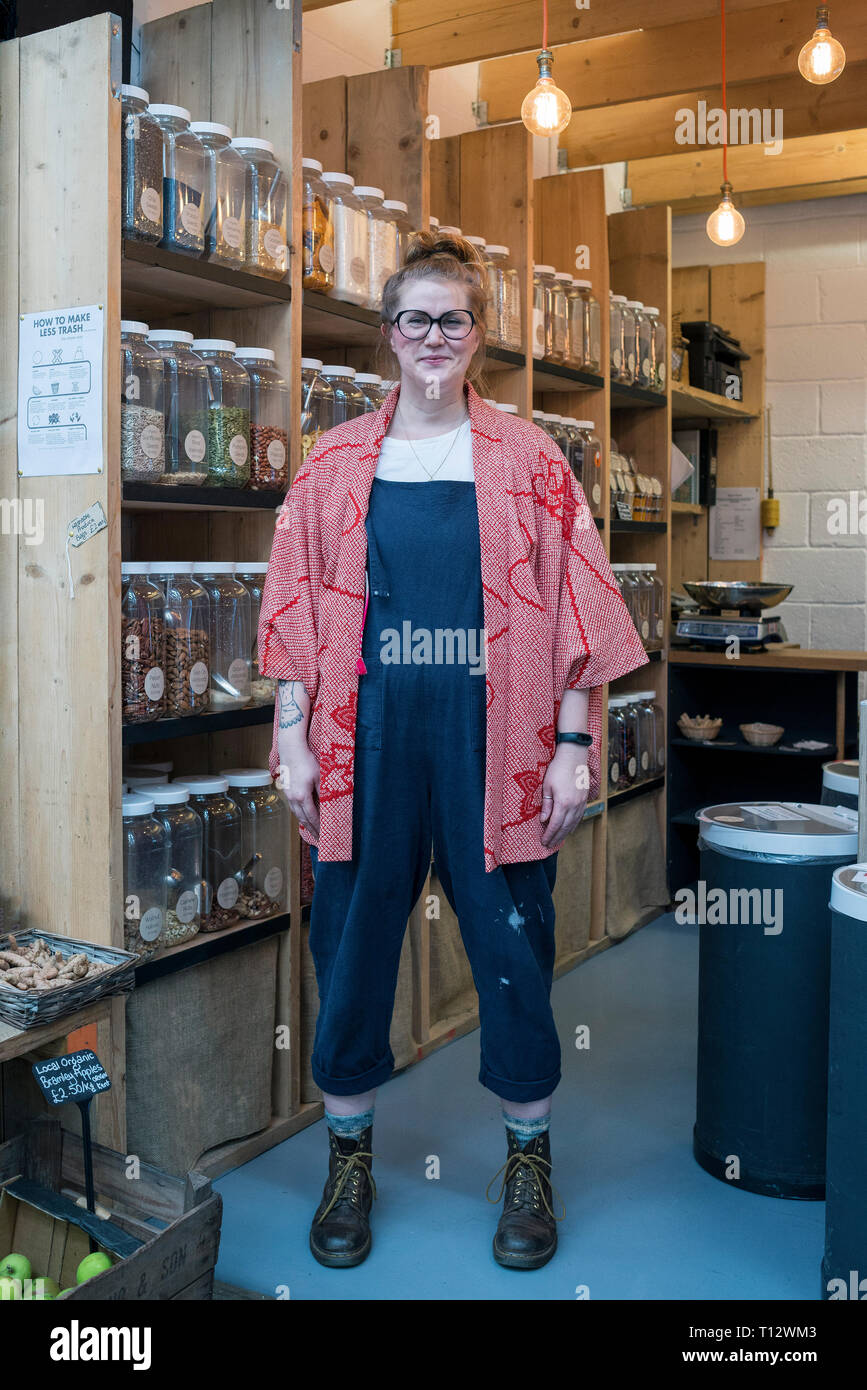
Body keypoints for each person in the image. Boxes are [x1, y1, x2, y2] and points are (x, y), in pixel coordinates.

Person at [258, 231, 648, 1271]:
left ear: (479, 336)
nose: (434, 336)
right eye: (416, 318)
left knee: (514, 953)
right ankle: (349, 1165)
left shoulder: (529, 459)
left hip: (504, 744)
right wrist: (289, 736)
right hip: (362, 746)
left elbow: (581, 608)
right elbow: (293, 611)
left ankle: (528, 1167)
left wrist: (574, 744)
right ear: (389, 335)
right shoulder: (337, 461)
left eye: (455, 319)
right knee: (348, 954)